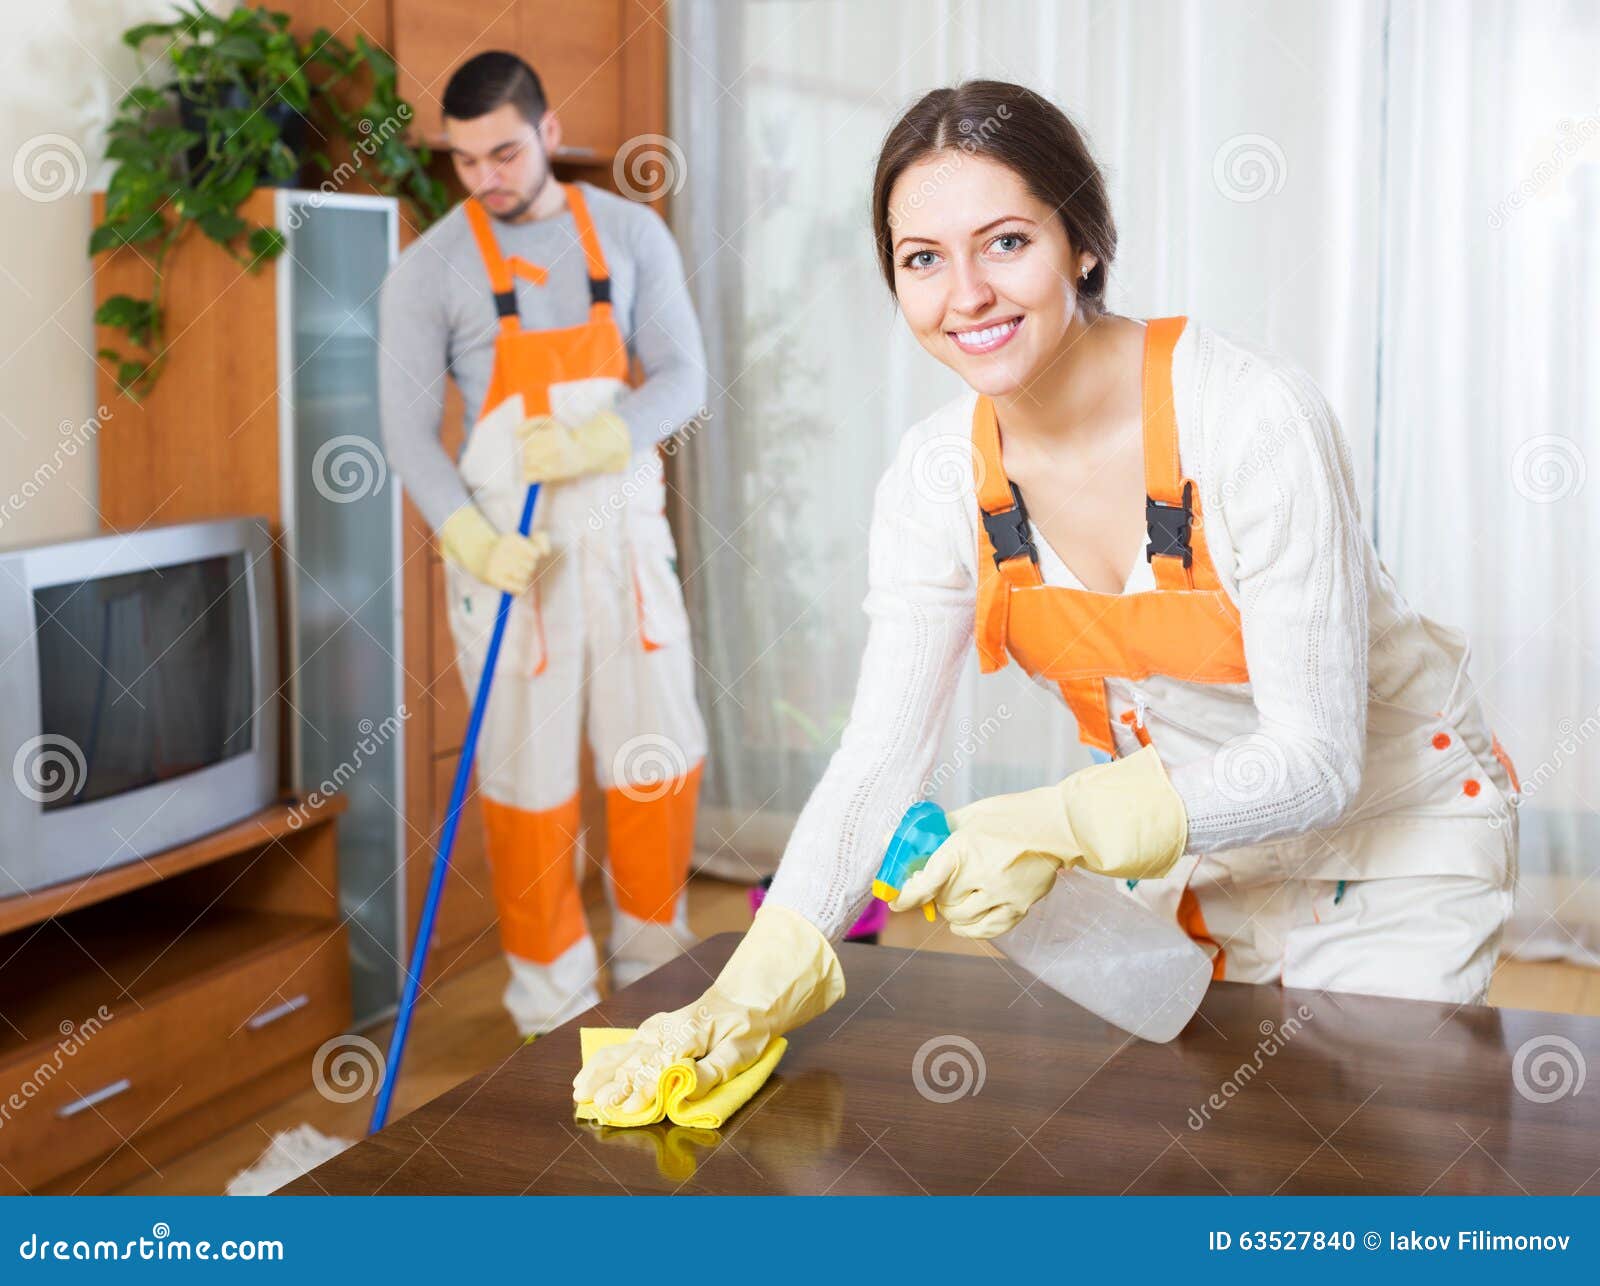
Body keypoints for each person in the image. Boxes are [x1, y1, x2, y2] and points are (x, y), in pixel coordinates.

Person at [574, 79, 1520, 1115]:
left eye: (1006, 242)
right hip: (1200, 866)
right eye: (921, 259)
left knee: (1362, 1164)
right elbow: (878, 762)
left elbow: (1318, 760)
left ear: (1083, 241)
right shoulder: (936, 478)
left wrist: (1058, 821)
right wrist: (757, 979)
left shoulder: (1249, 418)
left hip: (1395, 843)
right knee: (1232, 1163)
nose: (965, 294)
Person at [379, 51, 709, 1036]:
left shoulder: (631, 232)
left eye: (506, 151)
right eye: (466, 160)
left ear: (549, 134)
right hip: (512, 564)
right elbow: (404, 431)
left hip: (622, 542)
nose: (487, 176)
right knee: (529, 786)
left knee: (658, 757)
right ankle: (553, 1009)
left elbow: (684, 377)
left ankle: (660, 974)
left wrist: (603, 435)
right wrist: (470, 537)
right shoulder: (427, 268)